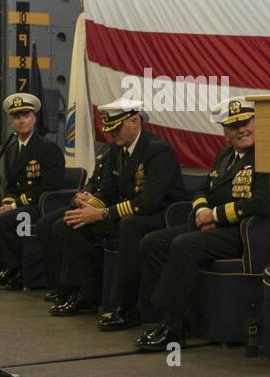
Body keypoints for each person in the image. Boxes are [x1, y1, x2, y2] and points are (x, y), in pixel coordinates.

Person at [134, 97, 268, 351]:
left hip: (241, 232)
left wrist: (215, 216)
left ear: (256, 122)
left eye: (246, 122)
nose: (241, 129)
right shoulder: (225, 154)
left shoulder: (267, 155)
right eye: (233, 125)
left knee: (184, 245)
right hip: (211, 227)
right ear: (225, 132)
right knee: (152, 243)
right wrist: (202, 210)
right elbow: (201, 190)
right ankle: (170, 317)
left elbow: (261, 203)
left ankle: (172, 330)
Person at [48, 99, 187, 325]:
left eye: (116, 128)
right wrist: (89, 206)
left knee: (129, 225)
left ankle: (127, 307)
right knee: (74, 221)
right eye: (109, 129)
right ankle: (84, 294)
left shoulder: (157, 150)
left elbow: (149, 201)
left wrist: (102, 214)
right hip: (130, 212)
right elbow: (108, 191)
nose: (112, 134)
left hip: (163, 215)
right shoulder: (117, 148)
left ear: (134, 122)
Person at [0, 93, 65, 291]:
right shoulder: (12, 150)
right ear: (11, 121)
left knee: (4, 220)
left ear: (34, 118)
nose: (21, 120)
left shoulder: (48, 149)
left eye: (25, 115)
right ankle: (5, 266)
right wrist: (7, 202)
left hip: (40, 205)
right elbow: (12, 186)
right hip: (19, 204)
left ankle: (17, 270)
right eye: (16, 117)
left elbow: (50, 186)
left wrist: (14, 205)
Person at [41, 141, 113, 306]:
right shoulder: (107, 148)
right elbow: (94, 180)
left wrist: (92, 201)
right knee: (45, 224)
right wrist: (81, 194)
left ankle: (77, 290)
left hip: (101, 205)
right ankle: (58, 284)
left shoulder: (122, 151)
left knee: (66, 225)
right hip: (89, 200)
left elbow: (111, 189)